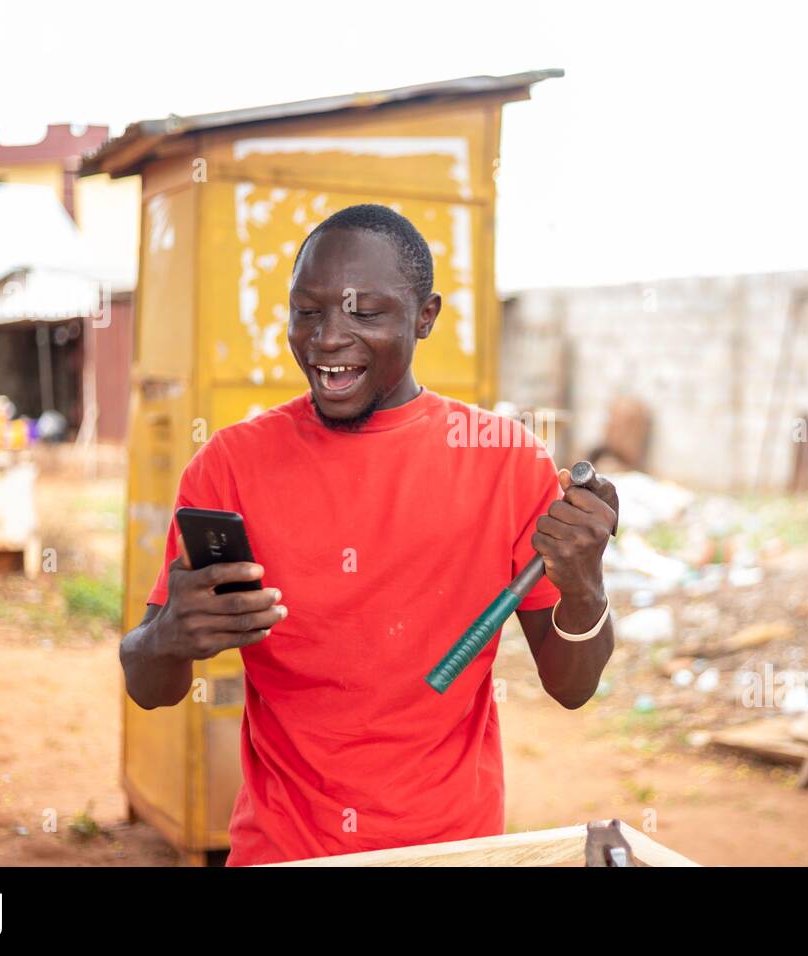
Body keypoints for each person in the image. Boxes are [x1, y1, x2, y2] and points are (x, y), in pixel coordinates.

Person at [119, 204, 619, 864]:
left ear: (425, 316)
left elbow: (572, 686)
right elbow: (149, 686)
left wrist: (583, 584)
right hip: (281, 853)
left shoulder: (506, 460)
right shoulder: (228, 466)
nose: (327, 338)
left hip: (452, 853)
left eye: (365, 313)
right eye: (308, 311)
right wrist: (167, 638)